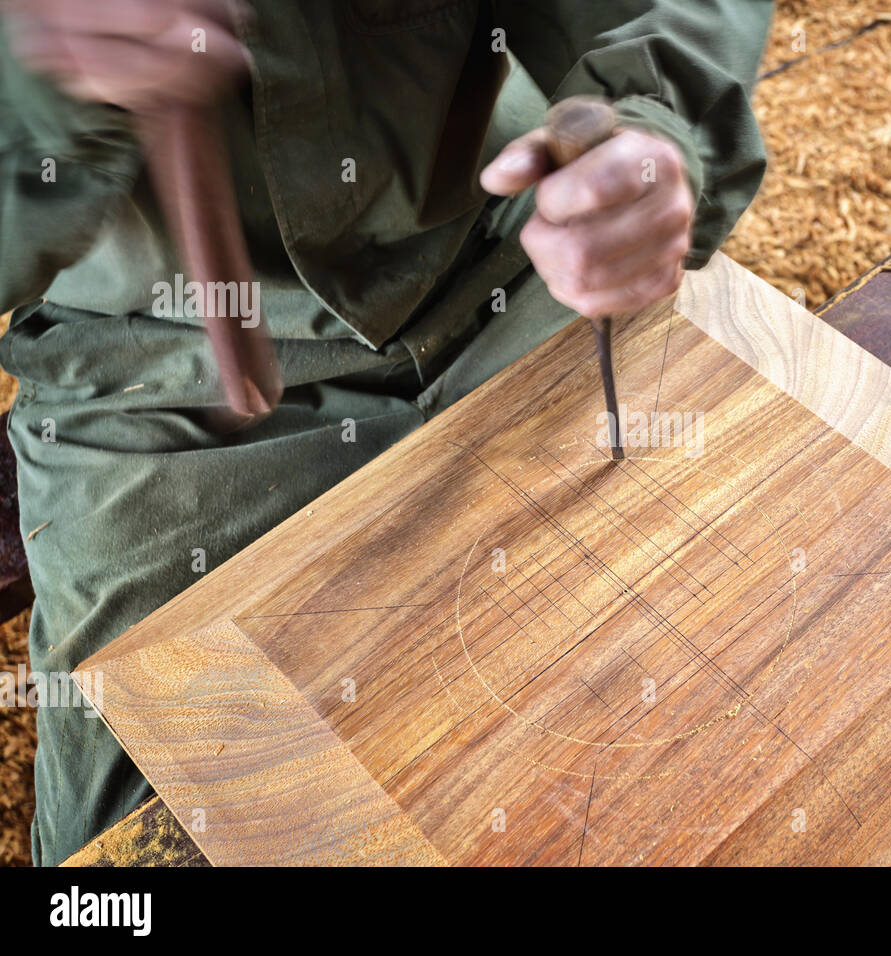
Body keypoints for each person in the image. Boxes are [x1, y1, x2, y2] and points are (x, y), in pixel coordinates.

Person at [0, 0, 772, 865]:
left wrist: (658, 124)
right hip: (155, 369)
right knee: (131, 855)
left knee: (737, 640)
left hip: (506, 235)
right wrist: (34, 93)